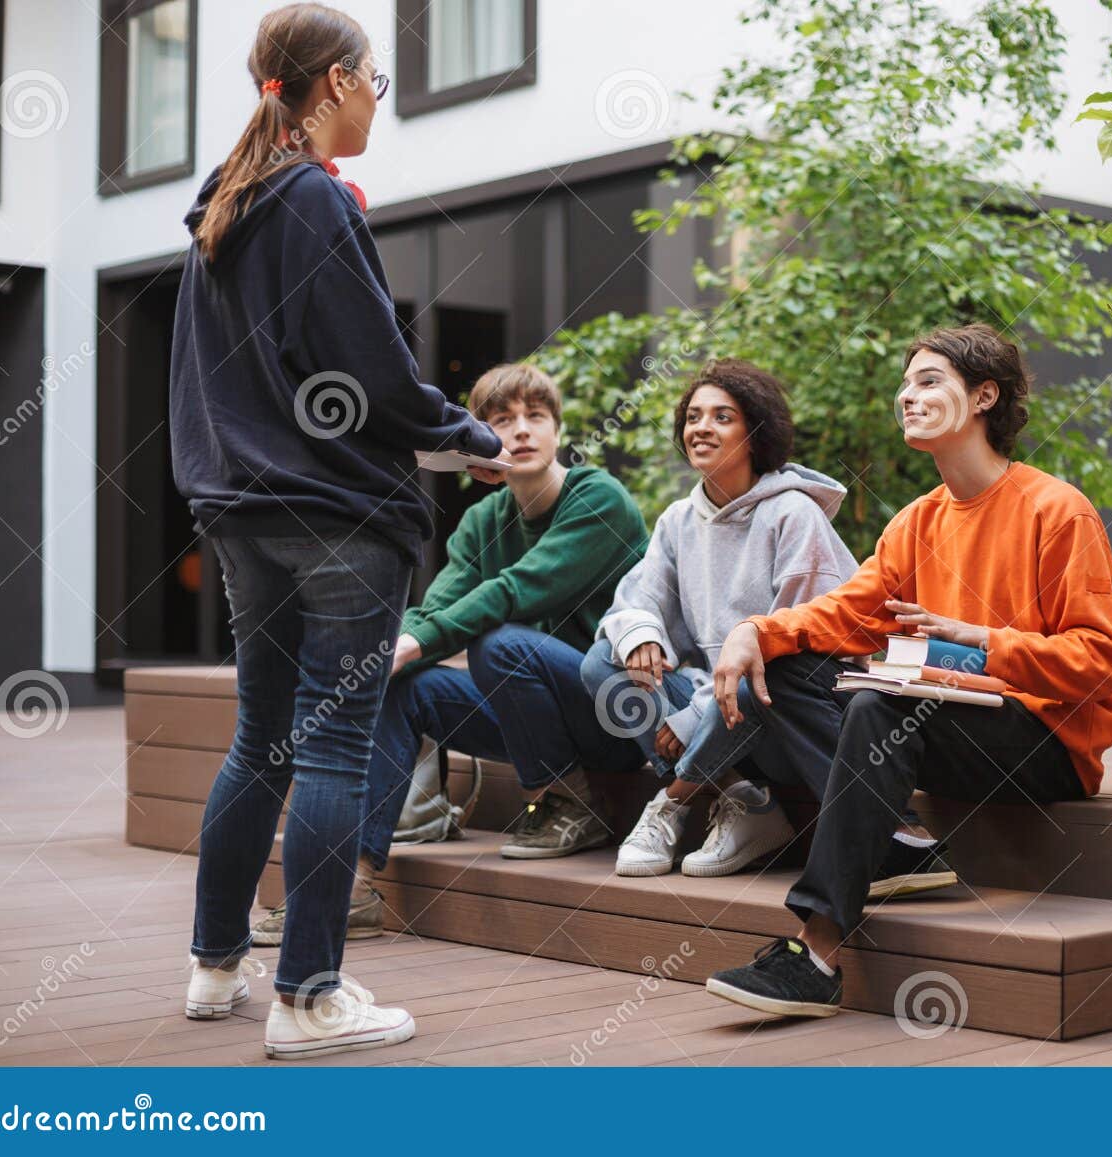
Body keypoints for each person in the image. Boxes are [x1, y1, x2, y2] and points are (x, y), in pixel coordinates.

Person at [173, 3, 507, 1060]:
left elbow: (206, 387)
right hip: (335, 518)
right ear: (330, 85)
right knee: (330, 746)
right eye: (375, 79)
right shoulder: (314, 200)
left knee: (259, 741)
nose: (380, 98)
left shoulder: (224, 209)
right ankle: (308, 995)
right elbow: (374, 376)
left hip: (241, 515)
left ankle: (215, 965)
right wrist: (471, 435)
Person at [701, 324, 1112, 1018]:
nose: (908, 395)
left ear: (985, 396)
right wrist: (753, 630)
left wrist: (986, 642)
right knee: (790, 667)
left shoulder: (1057, 511)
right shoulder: (914, 523)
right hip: (947, 722)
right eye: (906, 383)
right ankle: (901, 845)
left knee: (882, 710)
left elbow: (1099, 664)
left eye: (928, 380)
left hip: (1048, 745)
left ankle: (815, 952)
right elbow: (848, 614)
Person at [245, 362, 647, 940]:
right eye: (503, 420)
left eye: (536, 416)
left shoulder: (598, 499)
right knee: (406, 685)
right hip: (531, 718)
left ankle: (571, 805)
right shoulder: (482, 521)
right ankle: (348, 887)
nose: (522, 431)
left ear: (558, 429)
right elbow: (433, 611)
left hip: (613, 711)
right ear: (481, 442)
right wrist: (384, 654)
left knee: (499, 642)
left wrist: (411, 645)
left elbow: (514, 590)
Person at [577, 359, 860, 877]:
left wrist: (688, 718)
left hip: (780, 722)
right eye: (693, 416)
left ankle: (673, 800)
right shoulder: (679, 520)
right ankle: (743, 799)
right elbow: (635, 600)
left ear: (755, 433)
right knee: (602, 661)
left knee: (762, 672)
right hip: (719, 722)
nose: (701, 427)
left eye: (722, 417)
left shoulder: (794, 514)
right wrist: (643, 635)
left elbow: (797, 645)